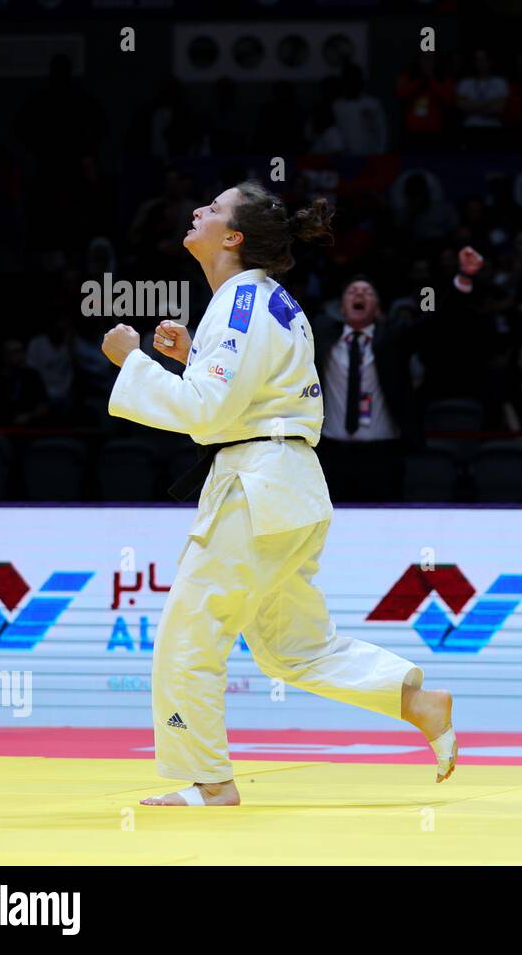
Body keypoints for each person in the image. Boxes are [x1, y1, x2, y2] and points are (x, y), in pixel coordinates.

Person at [99, 180, 458, 807]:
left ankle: (210, 782)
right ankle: (416, 701)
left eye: (212, 209)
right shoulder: (265, 300)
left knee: (190, 634)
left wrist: (133, 363)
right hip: (288, 488)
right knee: (296, 646)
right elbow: (249, 394)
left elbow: (210, 415)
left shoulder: (240, 303)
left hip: (256, 488)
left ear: (233, 237)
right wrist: (195, 356)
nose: (197, 211)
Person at [313, 250, 482, 503]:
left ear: (378, 309)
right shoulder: (323, 333)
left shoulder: (392, 338)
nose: (359, 294)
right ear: (341, 307)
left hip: (382, 456)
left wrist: (464, 278)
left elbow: (437, 320)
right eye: (352, 292)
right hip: (331, 456)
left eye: (367, 292)